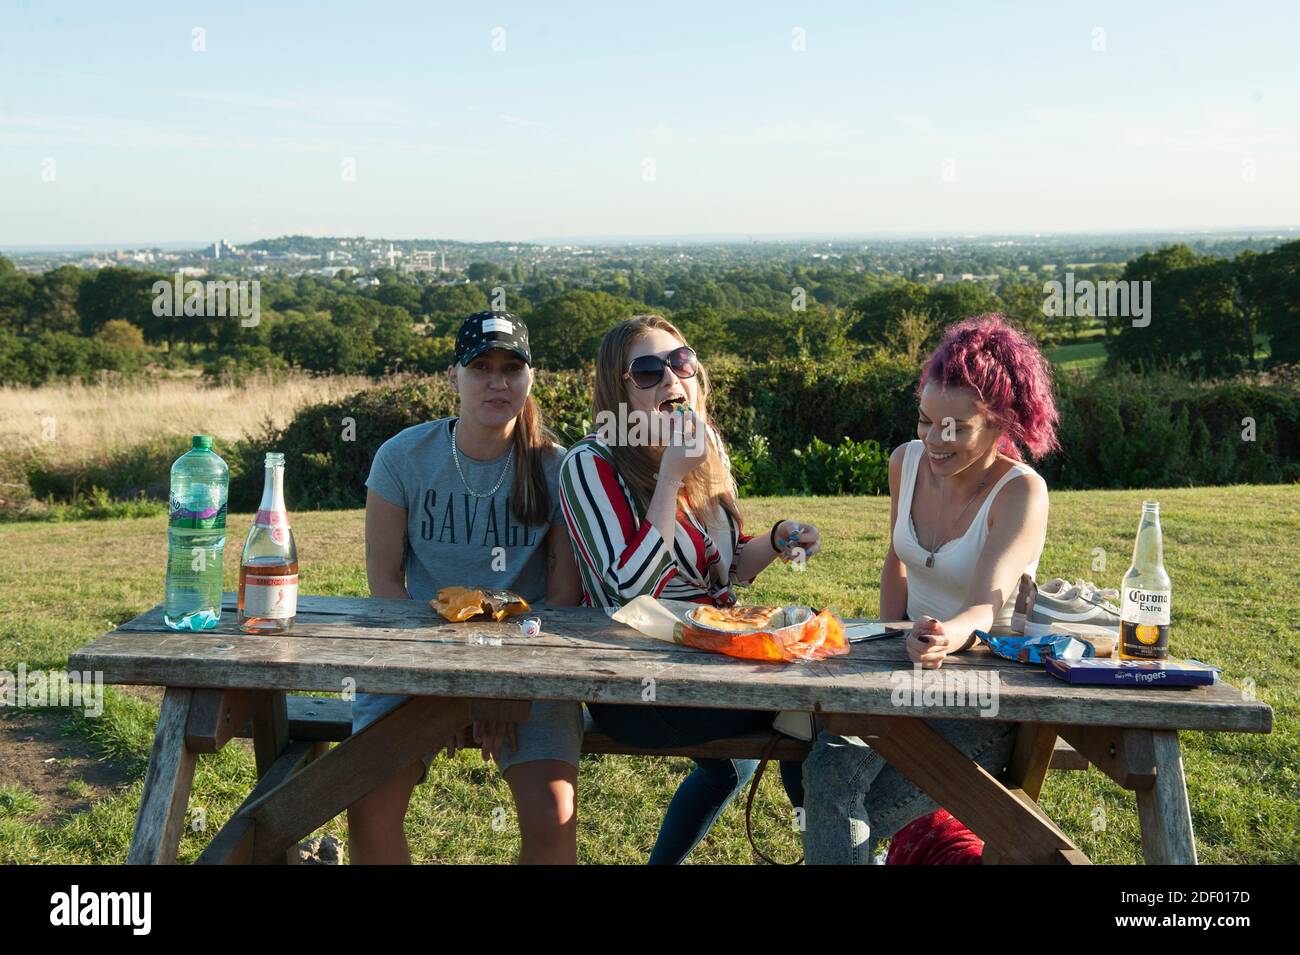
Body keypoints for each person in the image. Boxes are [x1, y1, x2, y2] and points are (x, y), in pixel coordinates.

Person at [559, 314, 818, 864]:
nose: (671, 378)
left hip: (714, 656)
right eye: (648, 371)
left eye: (681, 362)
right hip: (635, 684)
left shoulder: (708, 449)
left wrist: (775, 539)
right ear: (618, 389)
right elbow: (630, 587)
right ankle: (836, 851)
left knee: (745, 758)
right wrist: (672, 476)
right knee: (811, 720)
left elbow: (724, 574)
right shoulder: (590, 463)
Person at [802, 313, 1059, 865]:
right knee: (826, 767)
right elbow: (896, 564)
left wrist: (945, 637)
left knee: (850, 796)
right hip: (902, 673)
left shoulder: (1022, 493)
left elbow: (985, 606)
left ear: (1001, 422)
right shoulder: (906, 461)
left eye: (956, 428)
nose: (934, 440)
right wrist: (887, 645)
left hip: (984, 696)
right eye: (925, 421)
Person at [347, 311, 584, 864]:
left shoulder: (557, 468)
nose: (496, 382)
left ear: (531, 379)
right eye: (481, 367)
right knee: (367, 807)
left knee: (552, 819)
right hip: (415, 658)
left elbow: (563, 598)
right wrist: (446, 685)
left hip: (530, 660)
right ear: (452, 378)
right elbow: (384, 580)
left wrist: (501, 686)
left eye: (510, 369)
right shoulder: (402, 457)